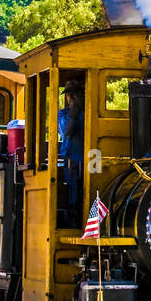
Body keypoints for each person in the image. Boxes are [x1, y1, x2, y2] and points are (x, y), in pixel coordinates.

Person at [57, 82, 84, 227]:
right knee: (72, 196)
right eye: (69, 95)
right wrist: (75, 110)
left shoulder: (88, 114)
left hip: (88, 161)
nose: (71, 98)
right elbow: (66, 131)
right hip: (71, 163)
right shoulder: (62, 115)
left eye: (75, 94)